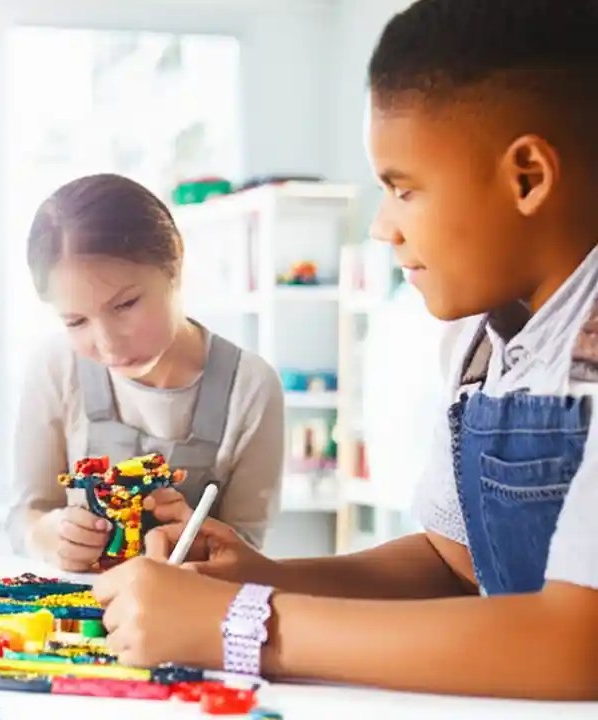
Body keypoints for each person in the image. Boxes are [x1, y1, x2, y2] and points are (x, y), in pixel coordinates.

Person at [92, 0, 598, 700]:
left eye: (403, 189)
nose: (384, 228)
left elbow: (578, 643)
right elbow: (451, 567)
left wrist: (240, 625)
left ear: (527, 178)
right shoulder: (480, 340)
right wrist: (259, 579)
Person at [7, 173, 285, 572]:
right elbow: (25, 518)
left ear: (174, 265)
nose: (108, 343)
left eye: (126, 305)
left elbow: (248, 554)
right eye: (75, 321)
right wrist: (54, 536)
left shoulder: (251, 387)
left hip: (188, 621)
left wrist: (199, 544)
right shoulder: (55, 367)